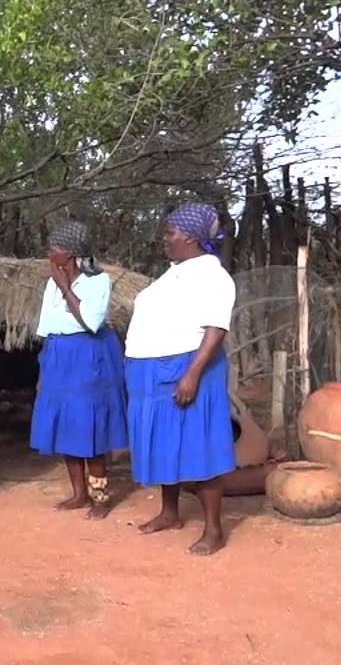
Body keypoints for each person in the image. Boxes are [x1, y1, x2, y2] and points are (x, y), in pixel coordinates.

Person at [124, 203, 236, 555]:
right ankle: (169, 513)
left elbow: (216, 328)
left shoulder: (213, 276)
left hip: (185, 368)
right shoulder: (174, 273)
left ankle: (214, 529)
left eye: (170, 233)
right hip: (151, 369)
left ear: (189, 236)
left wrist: (192, 375)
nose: (165, 239)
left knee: (195, 444)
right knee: (162, 442)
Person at [29, 220, 127, 519]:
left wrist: (64, 286)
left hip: (89, 355)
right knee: (66, 424)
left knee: (89, 424)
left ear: (70, 254)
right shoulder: (50, 283)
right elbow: (46, 329)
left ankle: (100, 496)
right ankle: (79, 493)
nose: (49, 254)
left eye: (54, 248)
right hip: (60, 355)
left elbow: (90, 321)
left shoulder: (98, 282)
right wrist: (44, 371)